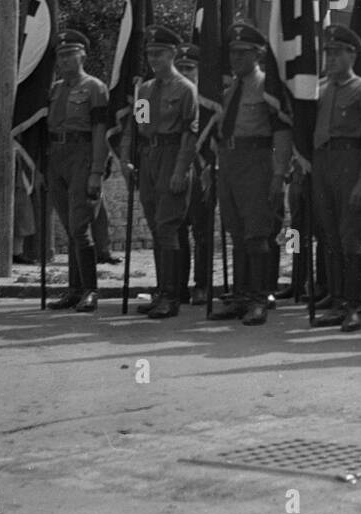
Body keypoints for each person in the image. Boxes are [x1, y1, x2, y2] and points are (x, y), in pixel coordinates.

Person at [210, 24, 292, 325]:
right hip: (230, 162)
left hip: (257, 161)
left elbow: (282, 131)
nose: (236, 58)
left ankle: (260, 297)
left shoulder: (267, 87)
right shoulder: (230, 89)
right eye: (232, 52)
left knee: (258, 233)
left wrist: (279, 172)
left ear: (258, 54)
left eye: (243, 53)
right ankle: (242, 295)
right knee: (237, 232)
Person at [122, 26, 198, 319]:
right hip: (149, 157)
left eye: (160, 53)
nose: (154, 59)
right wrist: (128, 161)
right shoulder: (145, 89)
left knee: (167, 227)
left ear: (174, 54)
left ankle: (171, 295)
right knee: (156, 228)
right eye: (150, 53)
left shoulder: (186, 90)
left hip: (173, 154)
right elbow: (137, 127)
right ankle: (163, 289)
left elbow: (191, 133)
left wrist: (181, 170)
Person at [308, 25, 361, 332]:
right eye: (328, 52)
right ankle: (337, 300)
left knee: (352, 237)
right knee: (330, 236)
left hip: (351, 162)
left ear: (353, 54)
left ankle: (355, 306)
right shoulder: (319, 90)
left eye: (338, 52)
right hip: (322, 163)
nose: (331, 57)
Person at [45, 30, 108, 313]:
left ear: (83, 55)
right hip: (56, 157)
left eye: (71, 54)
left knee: (80, 226)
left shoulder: (95, 88)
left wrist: (97, 170)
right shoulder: (55, 89)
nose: (66, 60)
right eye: (61, 55)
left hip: (82, 155)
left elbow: (100, 131)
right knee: (70, 227)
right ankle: (74, 289)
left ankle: (90, 290)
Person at [174, 44, 213, 305]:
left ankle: (202, 285)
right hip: (170, 164)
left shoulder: (209, 99)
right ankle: (176, 285)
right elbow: (142, 123)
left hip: (201, 168)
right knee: (174, 227)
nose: (185, 72)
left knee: (201, 230)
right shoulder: (155, 92)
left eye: (190, 68)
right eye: (181, 67)